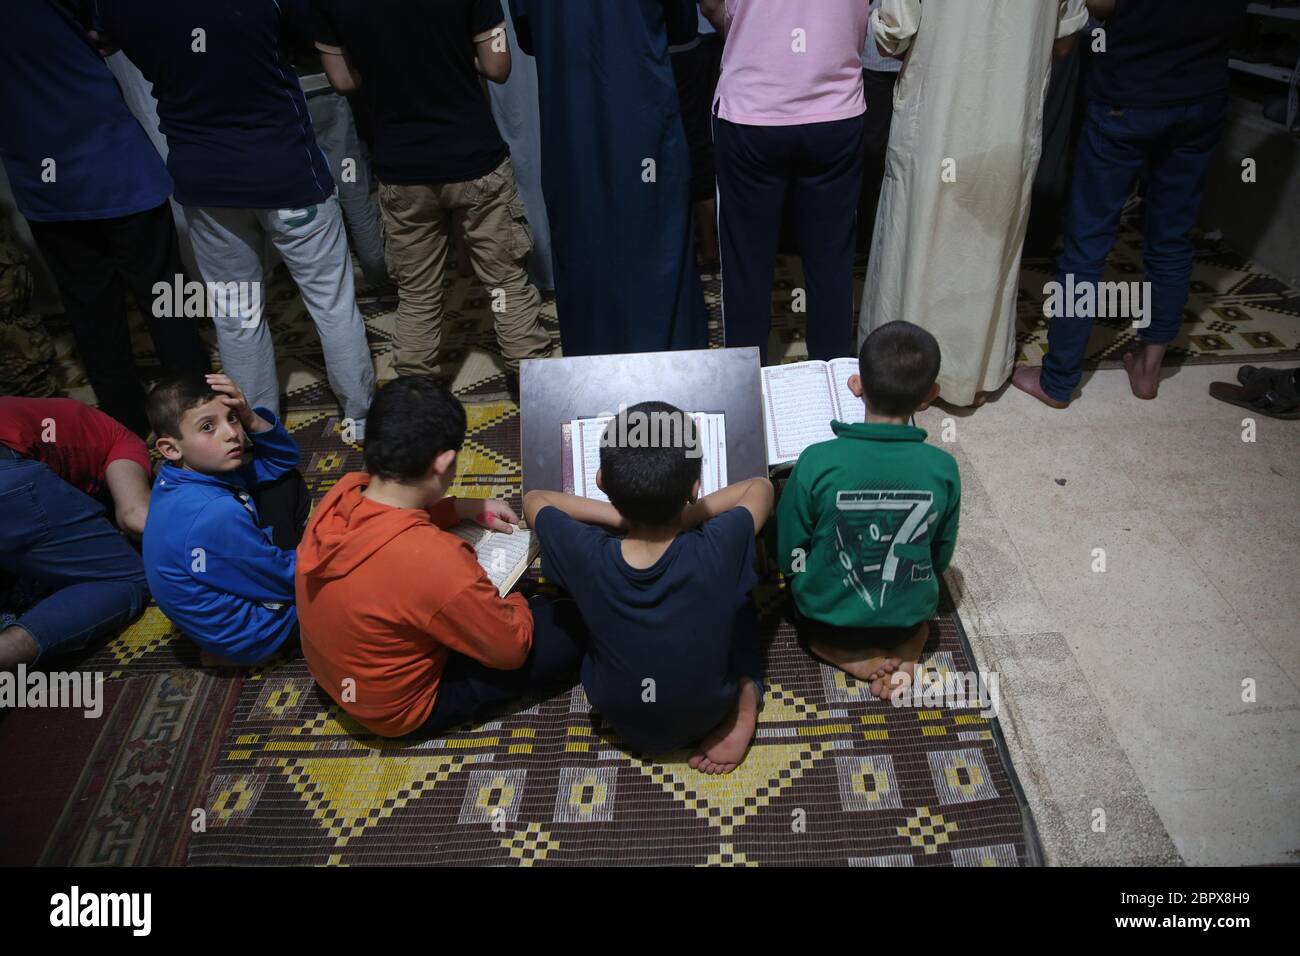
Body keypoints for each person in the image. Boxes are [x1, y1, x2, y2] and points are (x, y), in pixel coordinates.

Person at [97, 0, 376, 433]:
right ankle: (359, 416)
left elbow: (105, 41)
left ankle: (255, 425)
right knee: (331, 303)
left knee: (238, 314)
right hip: (287, 170)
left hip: (206, 181)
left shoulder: (120, 8)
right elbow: (308, 38)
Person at [297, 377, 584, 738]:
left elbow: (383, 528)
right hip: (397, 710)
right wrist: (511, 596)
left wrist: (460, 508)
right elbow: (511, 650)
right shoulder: (436, 560)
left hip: (337, 675)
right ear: (444, 462)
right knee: (568, 623)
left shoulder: (343, 493)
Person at [1015, 0, 1251, 407]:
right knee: (1172, 236)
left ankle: (1058, 379)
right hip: (1202, 94)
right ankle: (1148, 367)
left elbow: (1101, 4)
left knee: (1087, 242)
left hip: (1128, 92)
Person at [311, 0, 553, 389]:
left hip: (402, 168)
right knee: (505, 285)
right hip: (475, 160)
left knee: (418, 295)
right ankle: (536, 387)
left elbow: (342, 80)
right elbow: (497, 67)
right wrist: (452, 59)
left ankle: (415, 400)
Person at [857, 0, 1088, 408]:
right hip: (1009, 121)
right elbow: (1067, 36)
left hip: (937, 117)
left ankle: (905, 376)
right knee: (987, 248)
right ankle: (972, 377)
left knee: (920, 239)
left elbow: (892, 36)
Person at [524, 403, 773, 775]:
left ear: (601, 481)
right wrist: (685, 515)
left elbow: (534, 500)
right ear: (694, 488)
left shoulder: (583, 550)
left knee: (572, 606)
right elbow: (760, 488)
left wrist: (623, 516)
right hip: (707, 711)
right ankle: (746, 701)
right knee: (744, 598)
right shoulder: (722, 543)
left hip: (618, 714)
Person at [0, 0, 210, 438]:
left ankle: (124, 430)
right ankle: (197, 414)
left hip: (46, 185)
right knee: (169, 297)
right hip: (116, 166)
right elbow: (111, 29)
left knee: (92, 316)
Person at [509, 0, 709, 356]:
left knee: (585, 242)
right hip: (643, 116)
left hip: (572, 126)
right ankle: (670, 368)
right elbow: (682, 26)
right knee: (655, 239)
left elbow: (528, 37)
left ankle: (594, 370)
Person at [776, 321, 960, 700]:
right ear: (930, 394)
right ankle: (912, 641)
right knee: (918, 611)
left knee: (796, 598)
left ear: (857, 385)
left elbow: (789, 548)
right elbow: (940, 556)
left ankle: (837, 649)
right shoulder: (943, 469)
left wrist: (796, 577)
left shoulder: (816, 461)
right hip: (906, 616)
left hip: (827, 618)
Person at [703, 0, 871, 363]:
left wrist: (747, 29)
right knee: (832, 262)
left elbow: (713, 5)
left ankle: (748, 381)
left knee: (745, 264)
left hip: (751, 109)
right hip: (835, 108)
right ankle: (830, 379)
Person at [143, 375, 310, 667]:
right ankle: (257, 652)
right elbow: (282, 577)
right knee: (351, 599)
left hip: (222, 584)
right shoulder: (215, 512)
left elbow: (281, 462)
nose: (232, 433)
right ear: (171, 448)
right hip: (253, 632)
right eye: (208, 427)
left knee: (284, 482)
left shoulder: (179, 472)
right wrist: (333, 560)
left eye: (232, 418)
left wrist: (251, 418)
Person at [0, 397, 152, 668]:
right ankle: (8, 649)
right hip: (8, 479)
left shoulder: (60, 416)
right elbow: (136, 517)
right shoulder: (124, 440)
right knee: (127, 578)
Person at [669, 6, 723, 269]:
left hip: (684, 47)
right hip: (693, 43)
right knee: (699, 140)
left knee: (692, 143)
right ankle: (709, 243)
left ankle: (706, 243)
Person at [858, 0, 903, 255]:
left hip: (916, 59)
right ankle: (867, 234)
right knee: (872, 152)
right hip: (874, 58)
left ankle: (897, 236)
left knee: (905, 153)